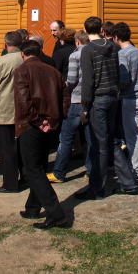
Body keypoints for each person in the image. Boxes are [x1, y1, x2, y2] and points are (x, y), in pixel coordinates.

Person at [78, 16, 138, 199]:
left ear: (86, 30)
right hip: (113, 96)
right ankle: (128, 182)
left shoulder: (88, 50)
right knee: (111, 141)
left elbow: (88, 81)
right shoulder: (112, 46)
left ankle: (96, 188)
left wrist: (85, 106)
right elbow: (116, 70)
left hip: (98, 99)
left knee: (99, 145)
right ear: (102, 30)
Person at [14, 37, 69, 229]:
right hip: (49, 125)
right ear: (39, 53)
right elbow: (65, 96)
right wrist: (54, 120)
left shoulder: (22, 70)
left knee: (33, 169)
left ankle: (56, 213)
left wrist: (38, 121)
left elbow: (23, 101)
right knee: (40, 166)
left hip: (31, 126)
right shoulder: (54, 71)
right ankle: (32, 207)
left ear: (22, 54)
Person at [0, 30, 26, 193]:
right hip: (24, 108)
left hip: (5, 109)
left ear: (5, 44)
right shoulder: (26, 59)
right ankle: (26, 175)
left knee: (7, 148)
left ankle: (10, 183)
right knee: (23, 146)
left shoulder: (0, 62)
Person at [51, 30, 88, 183]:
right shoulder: (95, 53)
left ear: (77, 41)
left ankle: (59, 172)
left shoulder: (75, 55)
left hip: (76, 99)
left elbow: (72, 80)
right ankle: (91, 171)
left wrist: (66, 86)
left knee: (66, 138)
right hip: (90, 100)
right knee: (92, 139)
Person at [113, 22, 138, 183]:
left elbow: (125, 79)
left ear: (116, 37)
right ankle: (135, 168)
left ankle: (136, 171)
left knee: (132, 136)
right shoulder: (136, 51)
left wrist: (116, 88)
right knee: (134, 133)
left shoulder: (123, 54)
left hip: (130, 97)